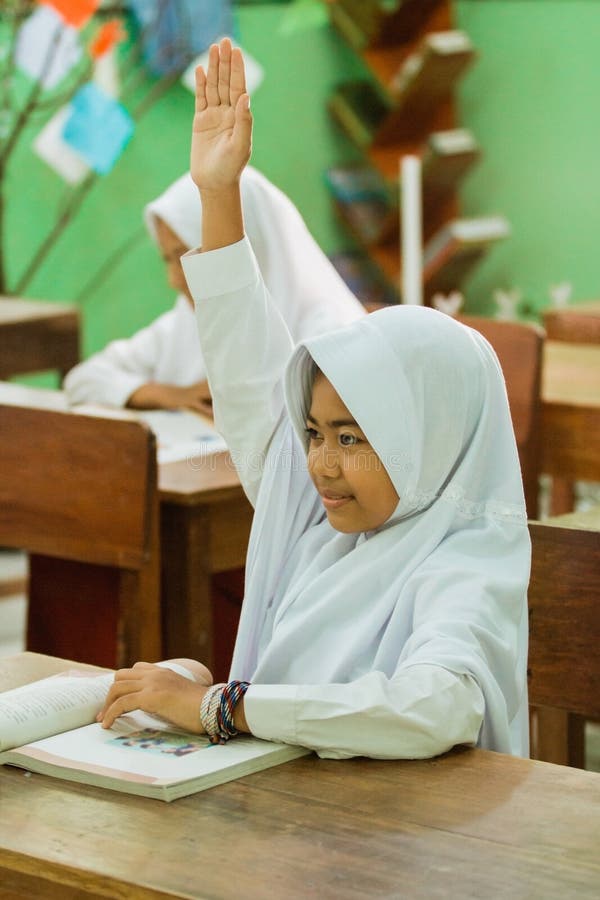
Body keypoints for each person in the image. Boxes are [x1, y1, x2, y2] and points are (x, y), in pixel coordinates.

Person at [98, 39, 530, 760]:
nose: (321, 465)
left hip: (411, 854)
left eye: (353, 437)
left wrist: (220, 705)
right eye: (313, 433)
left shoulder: (465, 565)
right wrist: (217, 195)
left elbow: (434, 708)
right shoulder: (322, 526)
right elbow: (245, 373)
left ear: (429, 441)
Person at [63, 164, 365, 414]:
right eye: (168, 259)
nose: (174, 280)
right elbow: (84, 379)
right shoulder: (185, 325)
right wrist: (167, 394)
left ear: (245, 246)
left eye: (186, 255)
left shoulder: (327, 331)